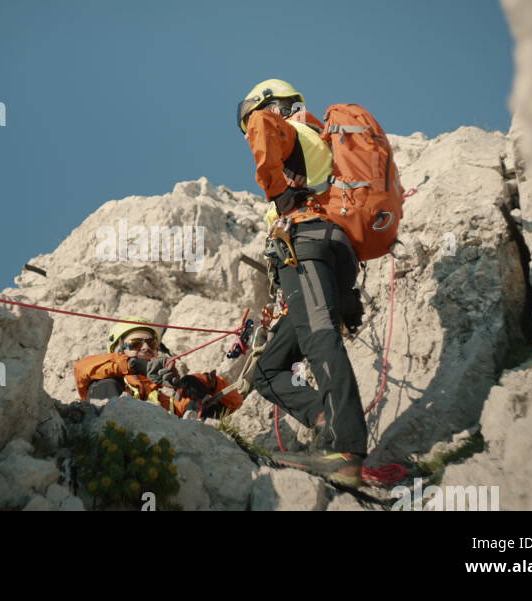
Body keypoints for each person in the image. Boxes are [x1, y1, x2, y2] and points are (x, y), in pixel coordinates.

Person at [237, 78, 368, 487]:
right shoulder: (319, 142)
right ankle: (324, 416)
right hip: (330, 251)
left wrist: (276, 192)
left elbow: (260, 125)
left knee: (319, 339)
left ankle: (346, 450)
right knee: (269, 369)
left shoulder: (290, 130)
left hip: (305, 245)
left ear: (275, 106)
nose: (253, 129)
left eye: (260, 113)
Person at [73, 317, 243, 418]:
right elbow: (82, 368)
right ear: (118, 350)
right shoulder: (107, 380)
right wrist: (133, 365)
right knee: (107, 384)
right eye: (135, 344)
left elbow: (234, 402)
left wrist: (207, 382)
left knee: (193, 406)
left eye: (151, 343)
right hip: (109, 435)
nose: (146, 348)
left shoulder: (161, 398)